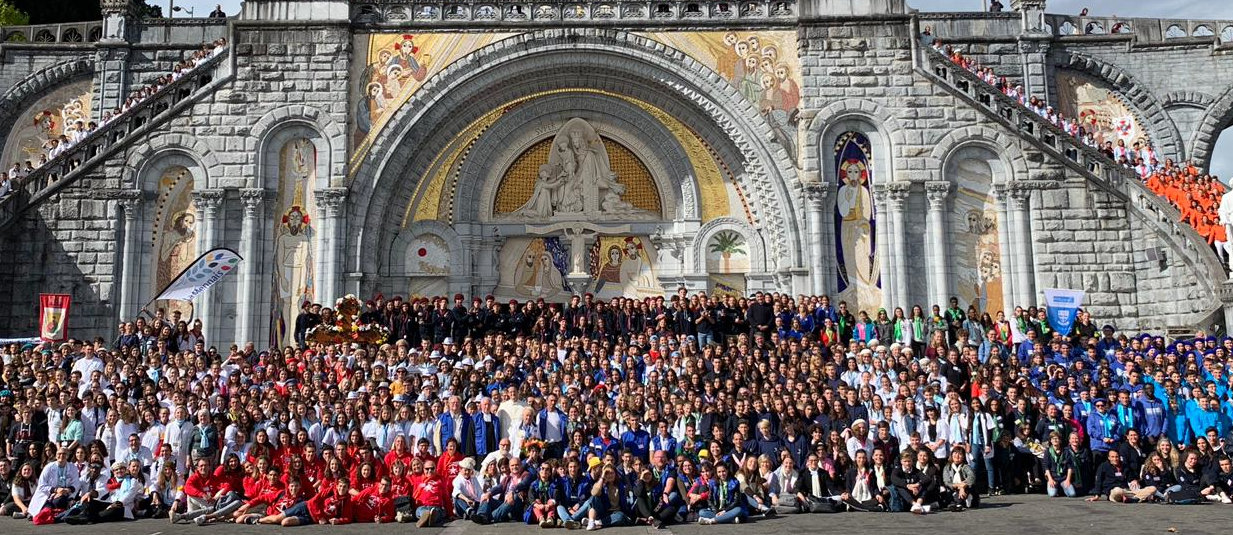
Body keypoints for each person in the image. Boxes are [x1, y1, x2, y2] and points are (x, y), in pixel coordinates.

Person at [1087, 450, 1156, 503]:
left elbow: (1130, 477)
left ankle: (1132, 499)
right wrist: (1097, 496)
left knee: (1153, 488)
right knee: (1118, 490)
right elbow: (1098, 481)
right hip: (1113, 492)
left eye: (1117, 457)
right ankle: (1139, 498)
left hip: (1127, 491)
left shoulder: (1124, 465)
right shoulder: (1103, 466)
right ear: (1109, 458)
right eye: (1112, 457)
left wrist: (1134, 480)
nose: (1115, 459)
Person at [941, 446, 977, 510]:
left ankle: (960, 503)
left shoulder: (966, 467)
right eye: (955, 453)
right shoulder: (947, 467)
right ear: (951, 455)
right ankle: (959, 503)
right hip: (952, 489)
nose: (957, 456)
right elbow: (946, 481)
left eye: (960, 454)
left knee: (968, 488)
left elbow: (972, 477)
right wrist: (959, 486)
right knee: (946, 491)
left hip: (965, 489)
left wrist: (963, 487)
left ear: (963, 457)